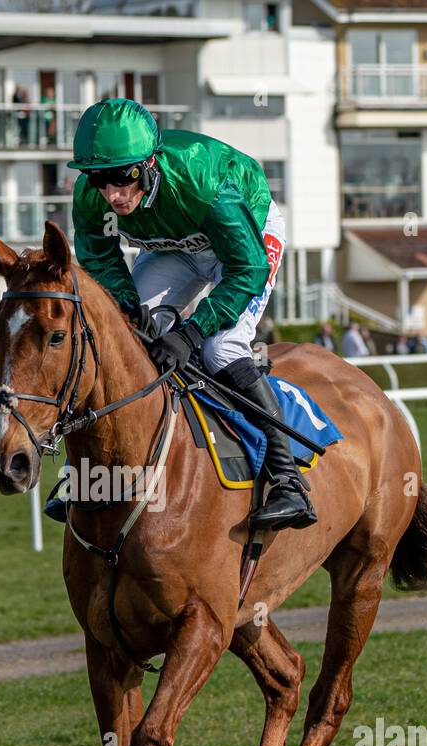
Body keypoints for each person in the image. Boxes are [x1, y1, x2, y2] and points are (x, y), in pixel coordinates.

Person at [66, 99, 313, 531]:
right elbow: (102, 263)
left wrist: (193, 331)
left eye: (124, 178)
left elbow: (248, 268)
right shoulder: (91, 197)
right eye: (100, 180)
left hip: (243, 242)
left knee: (221, 347)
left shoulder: (202, 182)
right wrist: (130, 309)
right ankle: (93, 476)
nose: (113, 195)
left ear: (150, 163)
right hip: (173, 245)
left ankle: (287, 479)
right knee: (128, 335)